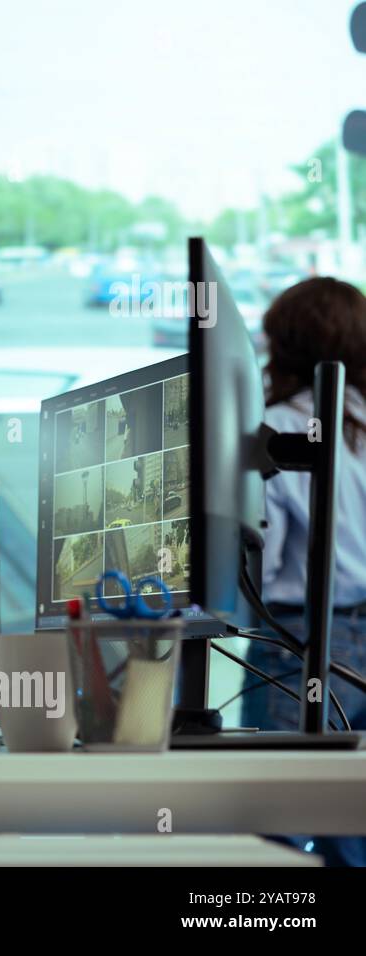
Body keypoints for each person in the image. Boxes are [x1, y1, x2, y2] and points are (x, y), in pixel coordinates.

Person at [241, 276, 366, 867]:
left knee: (277, 819)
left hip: (305, 642)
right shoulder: (361, 422)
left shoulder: (278, 432)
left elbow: (261, 569)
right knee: (352, 812)